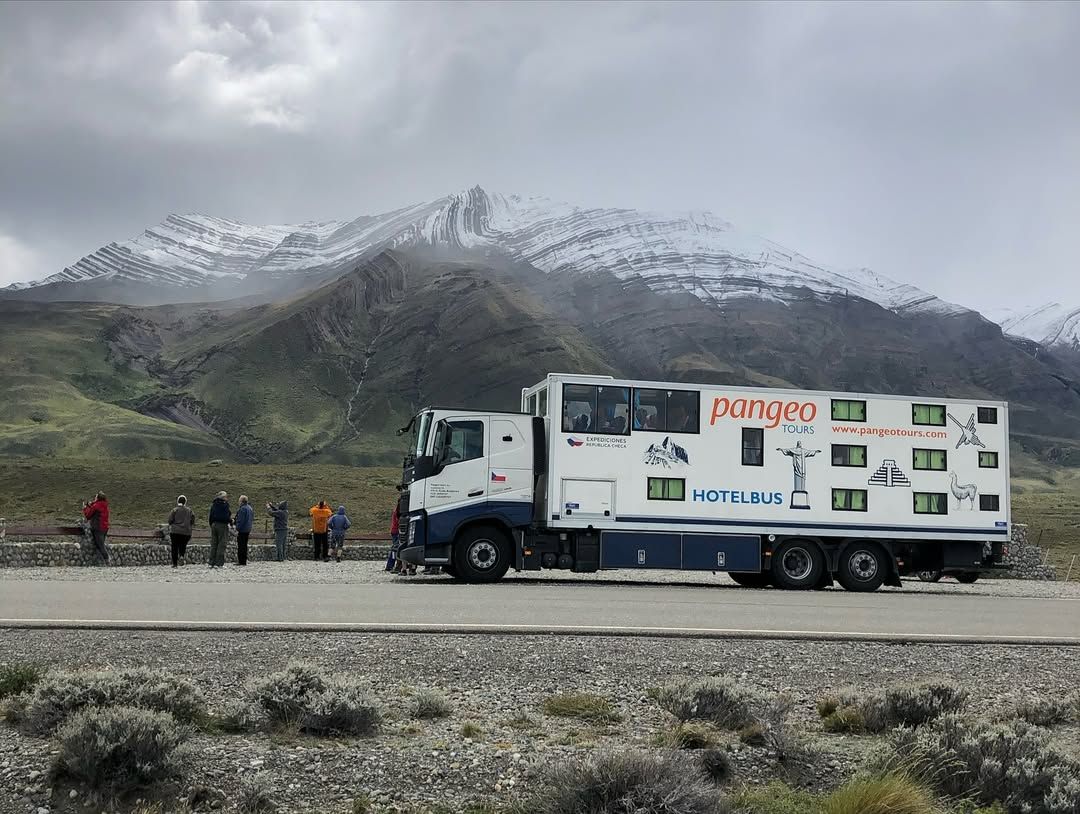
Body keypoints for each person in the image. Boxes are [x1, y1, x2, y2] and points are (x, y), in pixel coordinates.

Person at [82, 491, 110, 564]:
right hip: (105, 528)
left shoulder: (96, 506)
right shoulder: (105, 505)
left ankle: (107, 560)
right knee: (100, 544)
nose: (94, 498)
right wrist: (91, 505)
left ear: (98, 498)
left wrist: (85, 508)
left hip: (98, 528)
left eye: (96, 497)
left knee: (100, 545)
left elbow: (88, 515)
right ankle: (101, 562)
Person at [167, 495, 195, 568]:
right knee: (183, 545)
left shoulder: (175, 510)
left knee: (174, 547)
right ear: (185, 502)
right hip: (186, 532)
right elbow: (192, 520)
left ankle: (175, 564)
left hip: (175, 531)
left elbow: (170, 520)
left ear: (178, 501)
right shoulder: (189, 510)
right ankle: (182, 555)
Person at [208, 491, 231, 568]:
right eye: (226, 496)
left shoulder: (214, 504)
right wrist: (231, 521)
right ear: (223, 497)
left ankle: (211, 562)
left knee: (214, 544)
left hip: (214, 524)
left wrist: (211, 524)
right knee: (222, 544)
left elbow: (210, 515)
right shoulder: (225, 505)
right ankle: (219, 563)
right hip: (222, 525)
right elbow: (226, 516)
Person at [234, 495, 253, 566]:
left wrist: (237, 528)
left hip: (242, 530)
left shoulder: (243, 509)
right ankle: (244, 560)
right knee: (245, 545)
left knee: (241, 545)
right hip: (248, 529)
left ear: (241, 501)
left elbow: (241, 520)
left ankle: (241, 561)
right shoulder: (250, 508)